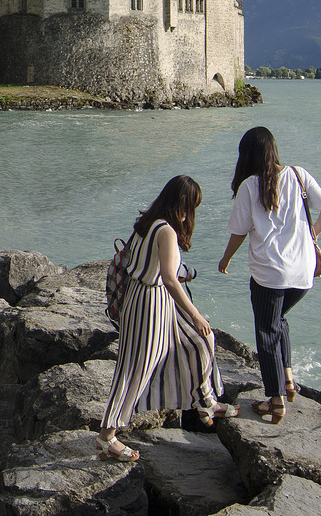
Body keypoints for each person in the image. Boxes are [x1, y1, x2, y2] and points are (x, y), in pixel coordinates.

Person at [97, 175, 239, 462]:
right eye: (190, 206)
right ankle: (106, 438)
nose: (190, 214)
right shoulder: (166, 232)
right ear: (181, 204)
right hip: (150, 305)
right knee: (135, 369)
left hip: (148, 301)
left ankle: (206, 402)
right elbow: (170, 280)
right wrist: (196, 314)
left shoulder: (147, 224)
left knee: (197, 343)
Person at [219, 127, 321, 424]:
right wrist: (310, 238)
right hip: (303, 273)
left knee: (266, 333)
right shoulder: (299, 175)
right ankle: (288, 380)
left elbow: (239, 231)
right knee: (279, 321)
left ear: (248, 155)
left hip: (269, 274)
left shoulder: (249, 186)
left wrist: (226, 257)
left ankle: (276, 401)